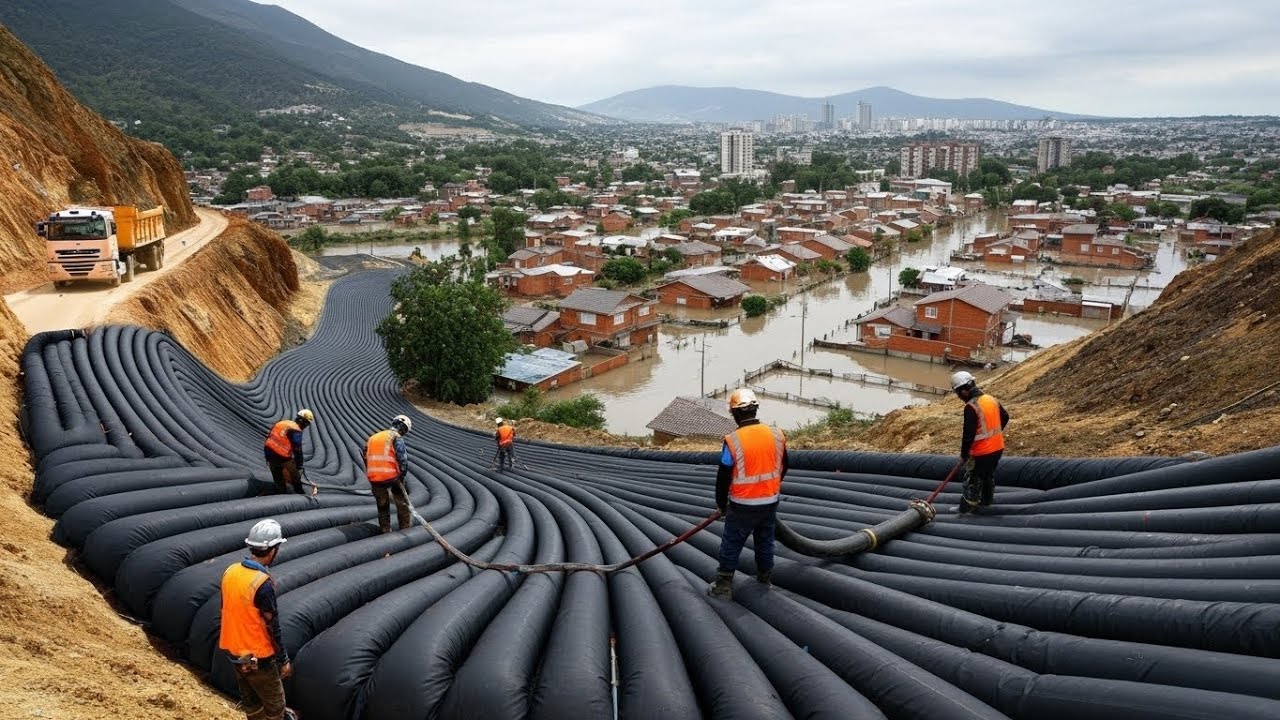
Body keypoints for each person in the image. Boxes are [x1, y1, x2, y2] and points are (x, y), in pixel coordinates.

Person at [707, 388, 788, 600]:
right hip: (770, 501)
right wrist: (770, 487)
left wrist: (721, 504)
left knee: (732, 542)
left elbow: (724, 475)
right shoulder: (776, 434)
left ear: (734, 413)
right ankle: (764, 579)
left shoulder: (733, 440)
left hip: (742, 504)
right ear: (755, 409)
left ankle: (723, 586)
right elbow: (784, 465)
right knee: (765, 540)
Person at [219, 519, 298, 720]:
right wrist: (283, 660)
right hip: (258, 657)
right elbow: (272, 625)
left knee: (251, 702)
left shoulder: (231, 571)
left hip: (234, 651)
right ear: (273, 550)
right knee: (276, 706)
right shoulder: (262, 583)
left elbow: (228, 608)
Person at [951, 370, 1009, 514]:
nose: (959, 397)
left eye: (958, 394)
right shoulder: (990, 399)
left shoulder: (971, 406)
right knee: (988, 476)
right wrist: (994, 435)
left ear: (964, 391)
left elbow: (968, 435)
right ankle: (986, 503)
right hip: (997, 448)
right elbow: (1005, 417)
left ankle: (967, 509)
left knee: (972, 480)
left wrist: (964, 455)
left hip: (982, 452)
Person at [366, 414, 413, 534]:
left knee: (382, 505)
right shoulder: (396, 437)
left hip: (374, 478)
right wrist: (401, 478)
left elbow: (365, 455)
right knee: (402, 502)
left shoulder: (373, 437)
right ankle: (405, 528)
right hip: (391, 476)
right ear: (404, 429)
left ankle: (385, 530)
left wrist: (372, 472)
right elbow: (402, 460)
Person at [264, 410, 316, 496]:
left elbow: (269, 436)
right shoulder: (296, 429)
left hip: (269, 452)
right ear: (304, 422)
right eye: (307, 424)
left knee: (278, 476)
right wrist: (299, 465)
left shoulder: (283, 423)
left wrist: (267, 457)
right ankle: (301, 494)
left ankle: (280, 492)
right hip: (281, 455)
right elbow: (297, 449)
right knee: (295, 475)